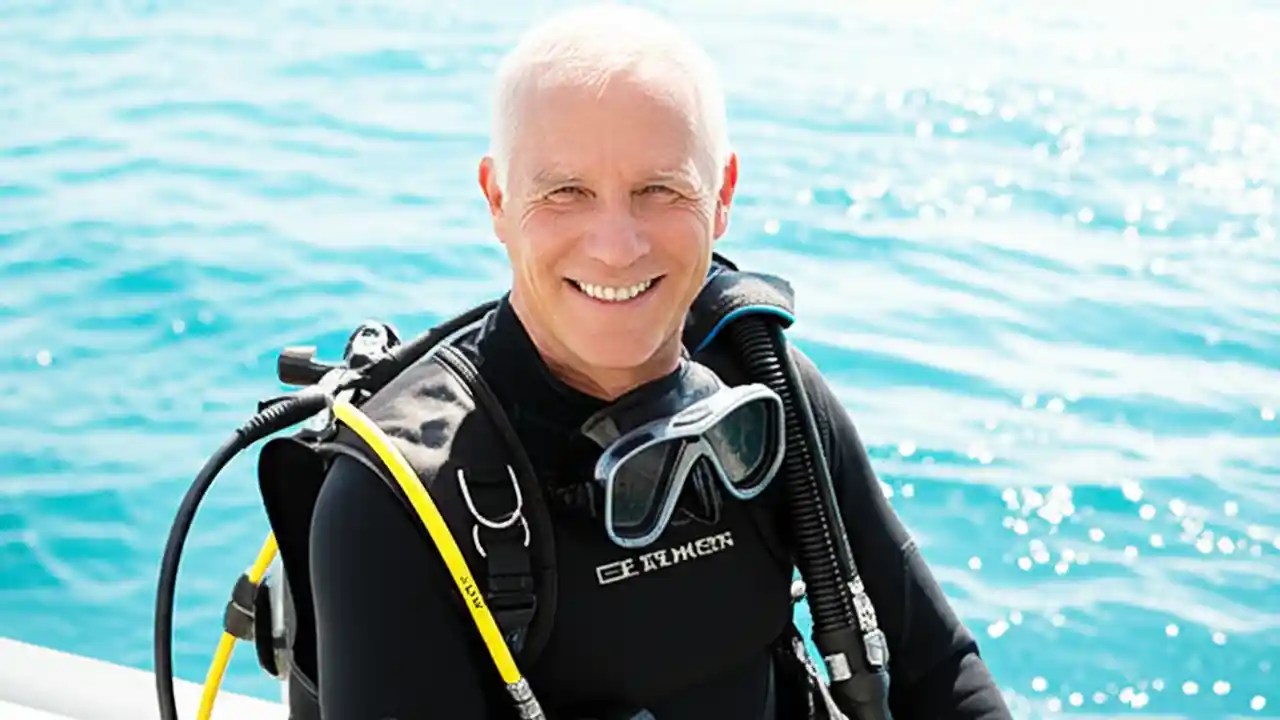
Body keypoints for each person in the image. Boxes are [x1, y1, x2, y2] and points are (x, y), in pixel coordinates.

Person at [304, 4, 1011, 719]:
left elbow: (942, 674)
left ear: (723, 195)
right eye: (565, 192)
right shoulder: (398, 501)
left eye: (660, 190)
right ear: (497, 198)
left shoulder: (766, 385)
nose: (617, 245)